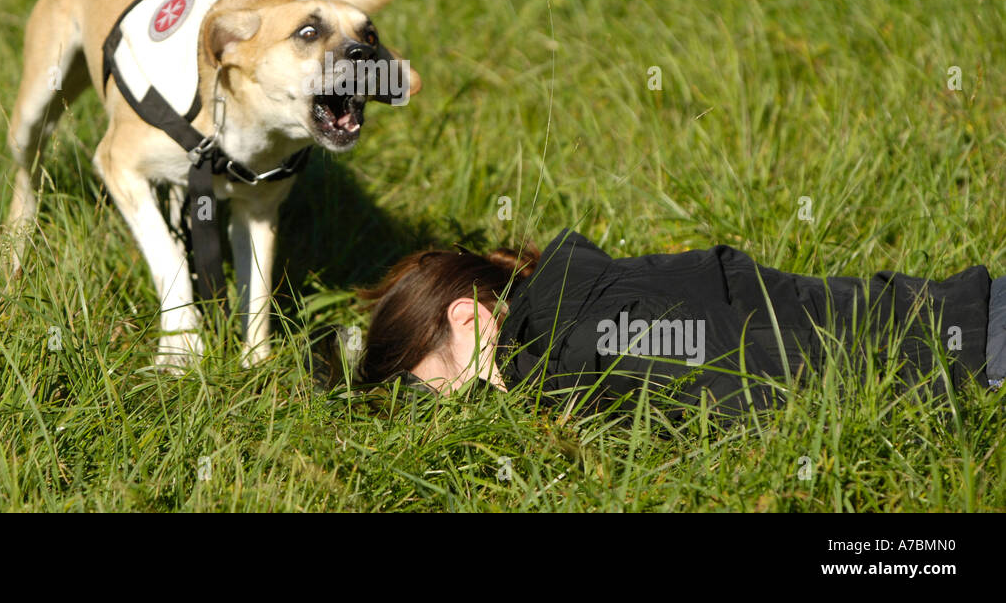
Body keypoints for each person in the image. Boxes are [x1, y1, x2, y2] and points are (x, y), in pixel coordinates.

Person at [357, 229, 1006, 415]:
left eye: (426, 382)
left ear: (468, 318)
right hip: (959, 318)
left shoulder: (579, 343)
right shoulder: (570, 306)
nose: (437, 405)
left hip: (967, 355)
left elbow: (771, 389)